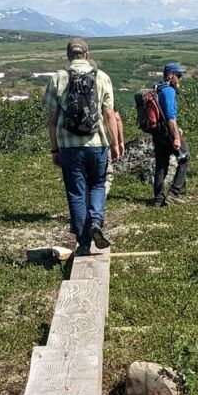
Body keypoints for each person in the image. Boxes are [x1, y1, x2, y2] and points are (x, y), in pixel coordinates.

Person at [45, 38, 123, 252]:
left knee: (76, 193)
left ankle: (83, 243)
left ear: (69, 55)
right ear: (87, 54)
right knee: (98, 184)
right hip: (97, 144)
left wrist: (54, 149)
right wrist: (115, 144)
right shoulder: (102, 77)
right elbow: (109, 114)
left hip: (69, 147)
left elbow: (51, 119)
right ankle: (96, 221)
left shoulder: (58, 78)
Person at [152, 61, 189, 207]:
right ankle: (173, 193)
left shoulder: (157, 88)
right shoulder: (169, 91)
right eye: (178, 75)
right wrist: (177, 137)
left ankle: (158, 199)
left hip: (157, 132)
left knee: (161, 164)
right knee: (184, 159)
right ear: (170, 75)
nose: (180, 79)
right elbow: (170, 117)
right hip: (167, 132)